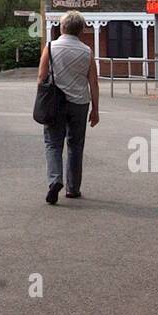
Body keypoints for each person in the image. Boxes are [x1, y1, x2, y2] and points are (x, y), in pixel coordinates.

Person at [37, 11, 99, 204]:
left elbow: (41, 76)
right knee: (75, 145)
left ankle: (55, 180)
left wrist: (41, 99)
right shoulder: (87, 51)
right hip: (80, 103)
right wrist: (95, 109)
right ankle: (73, 188)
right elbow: (93, 82)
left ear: (62, 27)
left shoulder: (50, 47)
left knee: (53, 143)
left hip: (56, 102)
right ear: (81, 30)